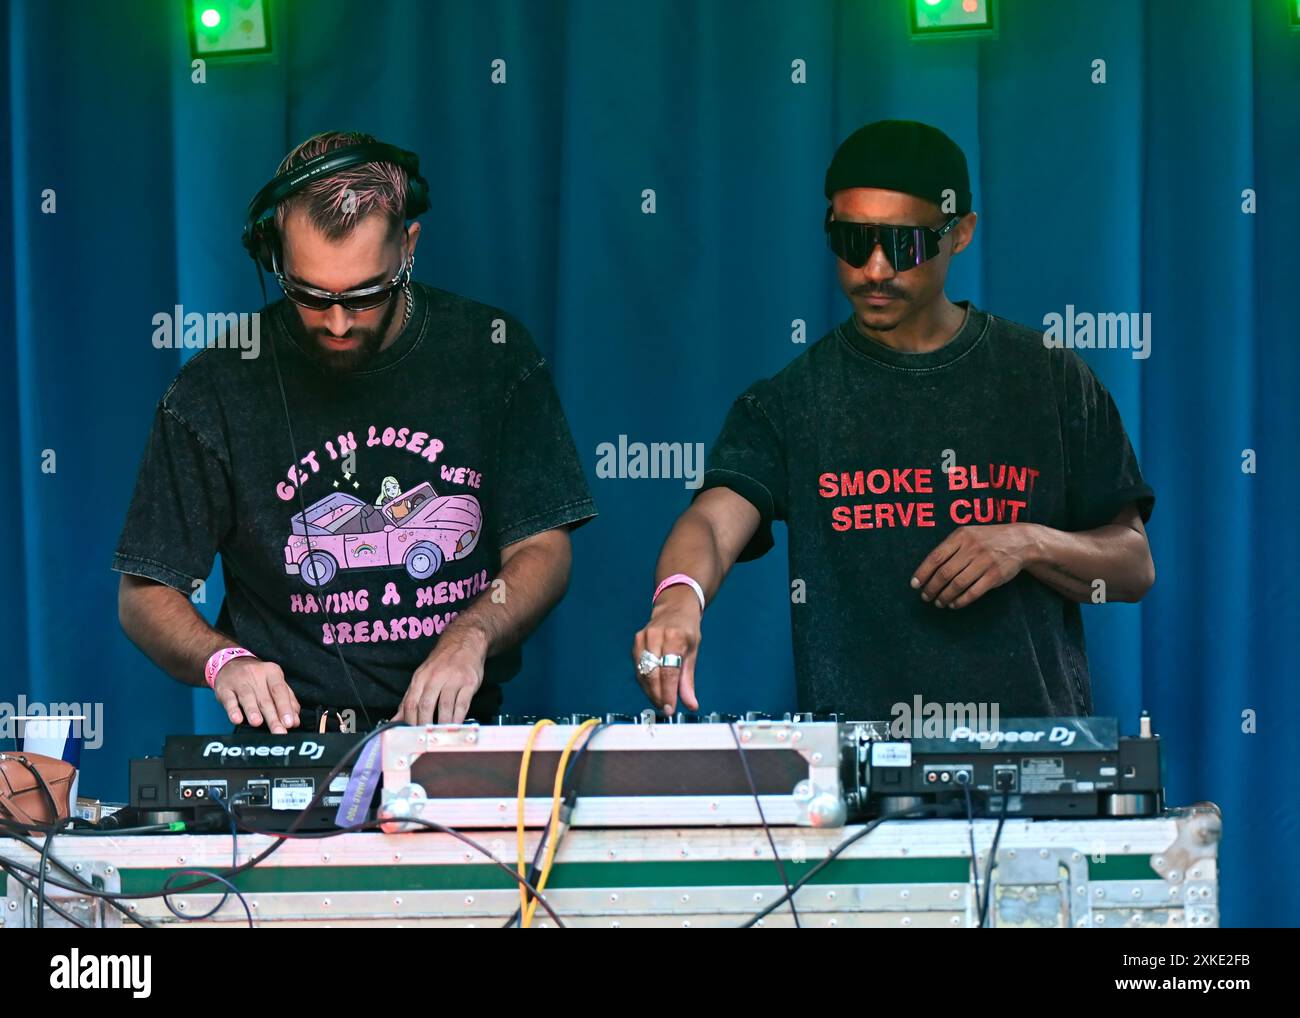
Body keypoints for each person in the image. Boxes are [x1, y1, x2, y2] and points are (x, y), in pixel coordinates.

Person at [632, 119, 1155, 721]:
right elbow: (714, 524)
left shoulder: (1049, 377)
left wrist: (1027, 542)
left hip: (1031, 763)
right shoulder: (793, 399)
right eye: (853, 242)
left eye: (902, 245)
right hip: (859, 779)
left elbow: (1134, 566)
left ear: (960, 234)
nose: (875, 269)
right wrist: (678, 600)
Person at [115, 131, 596, 732]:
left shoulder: (492, 353)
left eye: (366, 294)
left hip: (455, 736)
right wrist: (223, 660)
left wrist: (472, 633)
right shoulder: (215, 388)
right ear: (274, 261)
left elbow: (543, 547)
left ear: (408, 248)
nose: (338, 322)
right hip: (292, 743)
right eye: (309, 295)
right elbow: (144, 594)